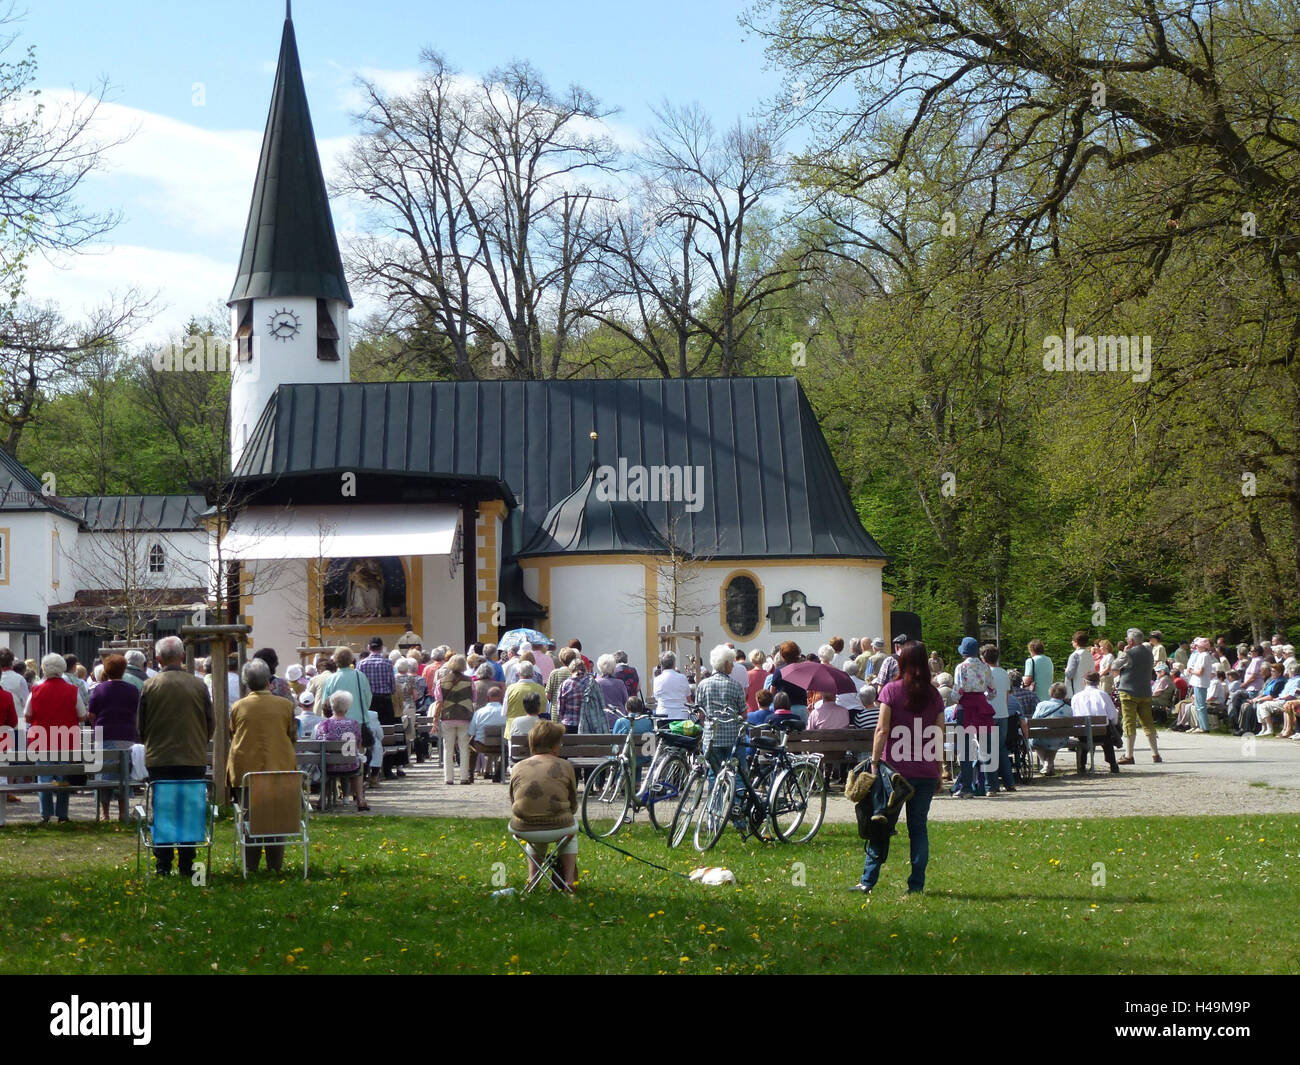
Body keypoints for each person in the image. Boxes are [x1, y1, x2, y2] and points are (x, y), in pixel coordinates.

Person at [852, 640, 943, 894]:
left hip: (894, 773)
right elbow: (938, 734)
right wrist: (939, 768)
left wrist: (873, 762)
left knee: (880, 824)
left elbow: (882, 730)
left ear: (901, 662)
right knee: (918, 829)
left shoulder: (892, 691)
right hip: (924, 770)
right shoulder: (935, 695)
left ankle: (867, 881)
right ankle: (916, 886)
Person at [138, 636, 215, 875]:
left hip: (160, 758)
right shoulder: (198, 685)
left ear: (158, 659)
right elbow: (210, 722)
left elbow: (141, 725)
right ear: (182, 656)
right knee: (190, 808)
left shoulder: (150, 686)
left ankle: (163, 865)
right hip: (192, 757)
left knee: (163, 809)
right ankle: (188, 864)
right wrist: (199, 741)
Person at [227, 658, 298, 872]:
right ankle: (275, 866)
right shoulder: (285, 705)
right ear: (269, 681)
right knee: (277, 818)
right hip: (280, 769)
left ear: (247, 683)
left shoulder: (238, 706)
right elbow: (291, 734)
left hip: (246, 771)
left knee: (250, 818)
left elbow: (233, 734)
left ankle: (251, 867)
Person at [508, 720, 579, 891]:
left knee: (536, 832)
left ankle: (533, 878)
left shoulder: (518, 767)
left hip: (523, 827)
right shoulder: (565, 766)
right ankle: (569, 880)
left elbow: (512, 799)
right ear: (555, 745)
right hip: (559, 826)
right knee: (570, 834)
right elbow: (573, 804)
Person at [27, 653, 89, 823]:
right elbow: (82, 715)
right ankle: (62, 814)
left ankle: (45, 813)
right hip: (66, 739)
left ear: (44, 669)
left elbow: (27, 715)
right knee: (63, 778)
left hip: (41, 739)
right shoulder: (72, 690)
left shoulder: (36, 689)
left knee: (44, 778)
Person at [87, 653, 139, 821]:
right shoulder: (132, 690)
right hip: (126, 733)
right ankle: (123, 812)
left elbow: (91, 713)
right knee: (124, 772)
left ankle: (105, 813)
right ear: (123, 670)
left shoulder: (99, 689)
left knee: (103, 773)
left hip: (104, 734)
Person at [1113, 628, 1162, 765]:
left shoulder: (1128, 653)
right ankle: (1155, 754)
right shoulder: (1149, 653)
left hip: (1128, 691)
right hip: (1145, 691)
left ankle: (1129, 755)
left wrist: (1123, 652)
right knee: (1148, 723)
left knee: (1129, 723)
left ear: (1130, 640)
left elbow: (1114, 666)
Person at [313, 692, 368, 810]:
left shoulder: (323, 724)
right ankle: (360, 800)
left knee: (325, 761)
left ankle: (322, 799)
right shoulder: (354, 724)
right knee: (358, 767)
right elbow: (358, 745)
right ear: (347, 707)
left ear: (332, 707)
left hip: (328, 766)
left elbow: (319, 745)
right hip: (350, 766)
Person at [433, 654, 475, 784]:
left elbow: (439, 702)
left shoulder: (441, 681)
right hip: (465, 717)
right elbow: (474, 699)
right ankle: (464, 777)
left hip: (447, 717)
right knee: (464, 747)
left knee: (448, 748)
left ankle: (448, 778)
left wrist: (435, 719)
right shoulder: (469, 681)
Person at [981, 644, 1016, 794]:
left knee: (987, 750)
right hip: (1002, 714)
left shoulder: (984, 673)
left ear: (983, 658)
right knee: (1001, 748)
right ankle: (1009, 782)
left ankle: (991, 786)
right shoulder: (1003, 673)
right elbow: (1007, 696)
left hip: (988, 715)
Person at [1070, 672, 1121, 773]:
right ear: (1098, 682)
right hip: (1102, 733)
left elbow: (1073, 715)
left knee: (1086, 737)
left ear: (1084, 682)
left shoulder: (1076, 697)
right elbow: (1113, 716)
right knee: (1108, 735)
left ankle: (1082, 764)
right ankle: (1112, 764)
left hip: (1082, 734)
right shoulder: (1103, 695)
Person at [1030, 682, 1073, 775]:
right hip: (1061, 739)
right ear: (1064, 694)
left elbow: (1034, 721)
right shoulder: (1069, 709)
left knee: (1036, 739)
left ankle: (1047, 764)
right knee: (1054, 738)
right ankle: (1049, 765)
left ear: (1051, 692)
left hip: (1042, 738)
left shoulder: (1042, 705)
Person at [468, 685, 507, 780]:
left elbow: (471, 731)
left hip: (482, 746)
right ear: (501, 697)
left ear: (488, 697)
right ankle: (499, 773)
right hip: (500, 746)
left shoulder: (479, 712)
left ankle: (470, 773)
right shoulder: (506, 712)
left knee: (470, 746)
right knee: (507, 750)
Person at [505, 662, 546, 738]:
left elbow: (504, 712)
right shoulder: (542, 689)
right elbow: (545, 711)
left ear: (518, 673)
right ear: (533, 673)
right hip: (538, 733)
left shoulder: (510, 689)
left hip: (514, 732)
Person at [1185, 637, 1216, 732]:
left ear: (1203, 647)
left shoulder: (1204, 656)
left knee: (1201, 706)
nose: (1196, 647)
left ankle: (1204, 727)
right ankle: (1200, 725)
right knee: (1198, 705)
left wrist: (1191, 671)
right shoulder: (1202, 655)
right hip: (1198, 683)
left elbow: (1200, 672)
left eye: (1198, 645)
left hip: (1200, 683)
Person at [652, 651, 691, 722]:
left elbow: (656, 697)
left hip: (663, 715)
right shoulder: (682, 678)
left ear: (662, 664)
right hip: (681, 715)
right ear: (674, 663)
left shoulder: (657, 679)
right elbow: (688, 697)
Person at [1064, 630, 1093, 699]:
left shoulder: (1075, 655)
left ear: (1076, 642)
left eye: (1073, 640)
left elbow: (1070, 674)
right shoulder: (1090, 655)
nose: (1071, 642)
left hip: (1076, 691)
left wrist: (1066, 670)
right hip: (1089, 689)